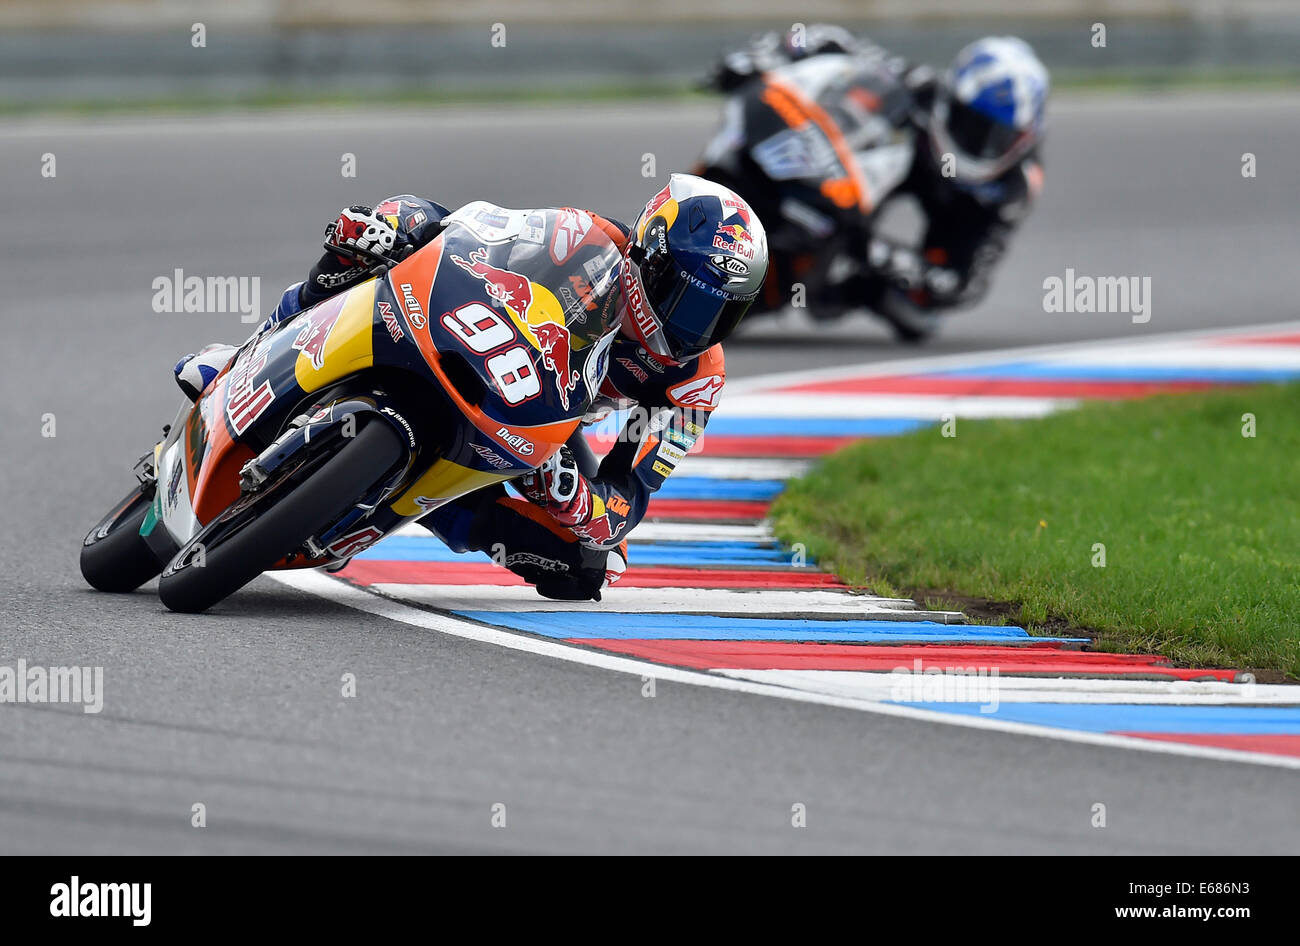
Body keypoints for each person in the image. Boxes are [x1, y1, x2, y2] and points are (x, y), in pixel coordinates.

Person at [174, 173, 769, 600]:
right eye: (686, 300)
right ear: (651, 257)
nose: (695, 327)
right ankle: (248, 356)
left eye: (721, 315)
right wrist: (398, 229)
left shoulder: (696, 385)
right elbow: (474, 227)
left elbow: (626, 500)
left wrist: (571, 497)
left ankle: (413, 500)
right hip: (495, 339)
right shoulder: (582, 240)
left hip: (547, 418)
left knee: (594, 566)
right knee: (391, 226)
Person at [704, 27, 1048, 341]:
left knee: (921, 314)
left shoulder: (1013, 186)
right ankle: (773, 198)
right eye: (973, 126)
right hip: (856, 174)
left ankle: (847, 286)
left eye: (1000, 137)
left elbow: (961, 285)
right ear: (951, 96)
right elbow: (831, 42)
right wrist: (765, 57)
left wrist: (870, 251)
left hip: (943, 219)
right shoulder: (920, 89)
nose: (983, 144)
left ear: (1026, 138)